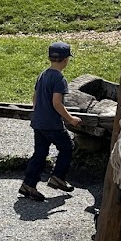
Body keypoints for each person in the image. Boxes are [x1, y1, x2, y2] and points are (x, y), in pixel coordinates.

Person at [17, 42, 82, 201]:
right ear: (66, 60)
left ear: (50, 58)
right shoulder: (59, 79)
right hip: (52, 124)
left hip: (38, 122)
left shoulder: (43, 74)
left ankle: (28, 184)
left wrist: (38, 113)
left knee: (40, 153)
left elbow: (34, 99)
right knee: (67, 147)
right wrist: (71, 119)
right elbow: (57, 103)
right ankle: (58, 177)